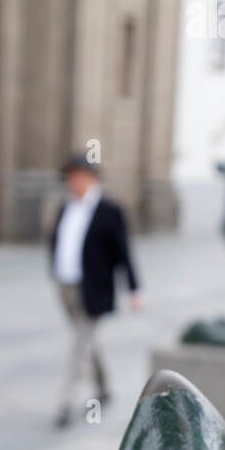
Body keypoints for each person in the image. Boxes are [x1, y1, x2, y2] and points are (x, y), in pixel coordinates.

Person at [49, 153, 142, 426]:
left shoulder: (109, 210)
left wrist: (134, 289)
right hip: (65, 284)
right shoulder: (65, 207)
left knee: (80, 343)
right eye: (70, 177)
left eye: (78, 176)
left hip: (94, 288)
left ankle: (66, 402)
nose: (73, 182)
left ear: (91, 178)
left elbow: (124, 252)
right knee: (87, 339)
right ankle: (104, 388)